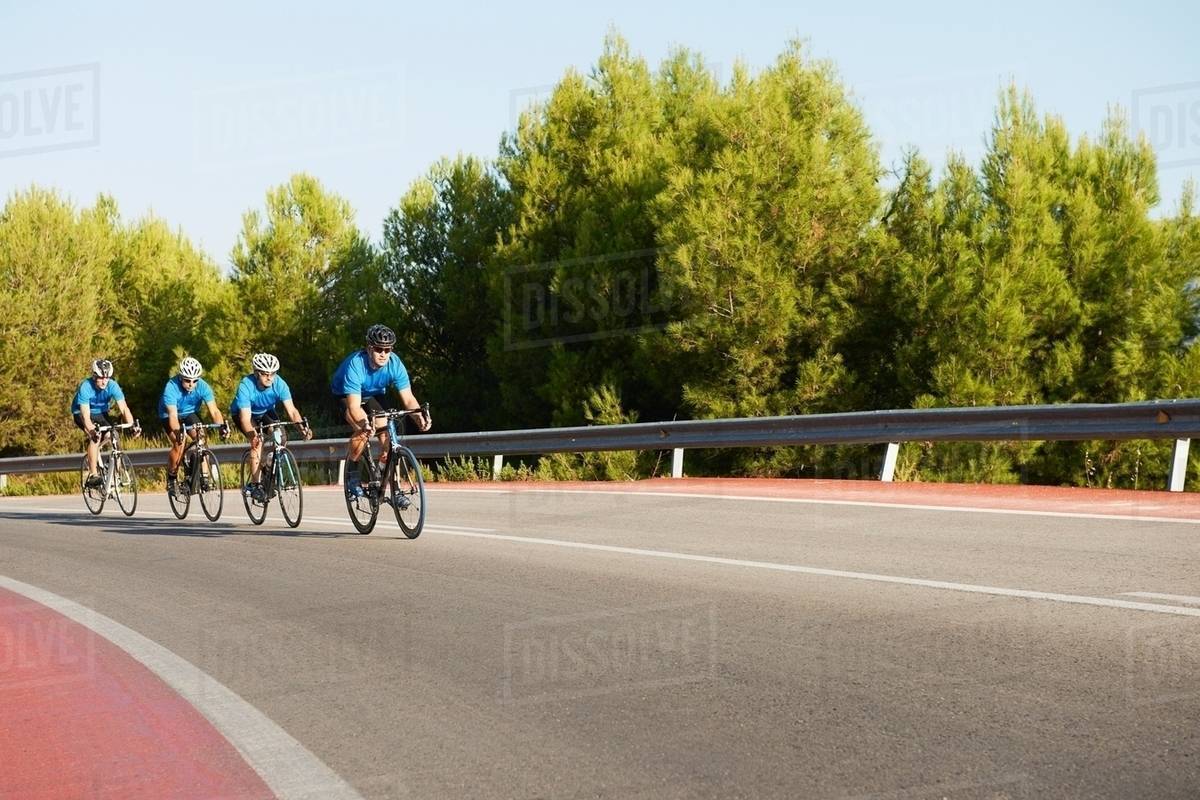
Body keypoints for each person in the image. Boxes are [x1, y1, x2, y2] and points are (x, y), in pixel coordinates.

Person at [330, 324, 430, 497]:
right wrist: (365, 423)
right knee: (364, 431)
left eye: (387, 349)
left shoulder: (395, 364)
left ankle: (391, 484)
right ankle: (351, 474)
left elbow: (408, 398)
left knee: (389, 438)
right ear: (369, 349)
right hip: (347, 395)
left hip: (374, 394)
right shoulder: (356, 365)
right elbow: (354, 407)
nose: (383, 354)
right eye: (378, 349)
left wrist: (418, 416)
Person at [231, 352, 312, 501]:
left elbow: (292, 411)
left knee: (281, 437)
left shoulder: (279, 384)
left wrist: (302, 428)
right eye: (264, 374)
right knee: (257, 442)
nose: (269, 378)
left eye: (272, 374)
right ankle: (255, 485)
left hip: (266, 411)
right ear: (256, 373)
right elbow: (245, 419)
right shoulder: (246, 385)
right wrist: (253, 436)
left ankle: (269, 466)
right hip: (244, 415)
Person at [158, 356, 228, 494]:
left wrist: (221, 427)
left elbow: (214, 411)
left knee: (201, 437)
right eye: (187, 380)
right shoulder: (171, 388)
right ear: (180, 377)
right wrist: (179, 433)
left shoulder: (203, 386)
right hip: (169, 414)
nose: (191, 384)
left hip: (189, 413)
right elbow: (172, 416)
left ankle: (205, 477)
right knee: (180, 442)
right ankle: (172, 478)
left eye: (194, 381)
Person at [72, 359, 139, 487]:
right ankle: (93, 475)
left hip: (101, 413)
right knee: (95, 438)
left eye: (107, 378)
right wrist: (92, 431)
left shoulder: (113, 386)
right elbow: (86, 417)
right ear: (94, 376)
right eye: (101, 378)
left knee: (114, 436)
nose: (104, 381)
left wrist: (132, 426)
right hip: (82, 413)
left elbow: (124, 409)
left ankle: (116, 471)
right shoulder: (85, 387)